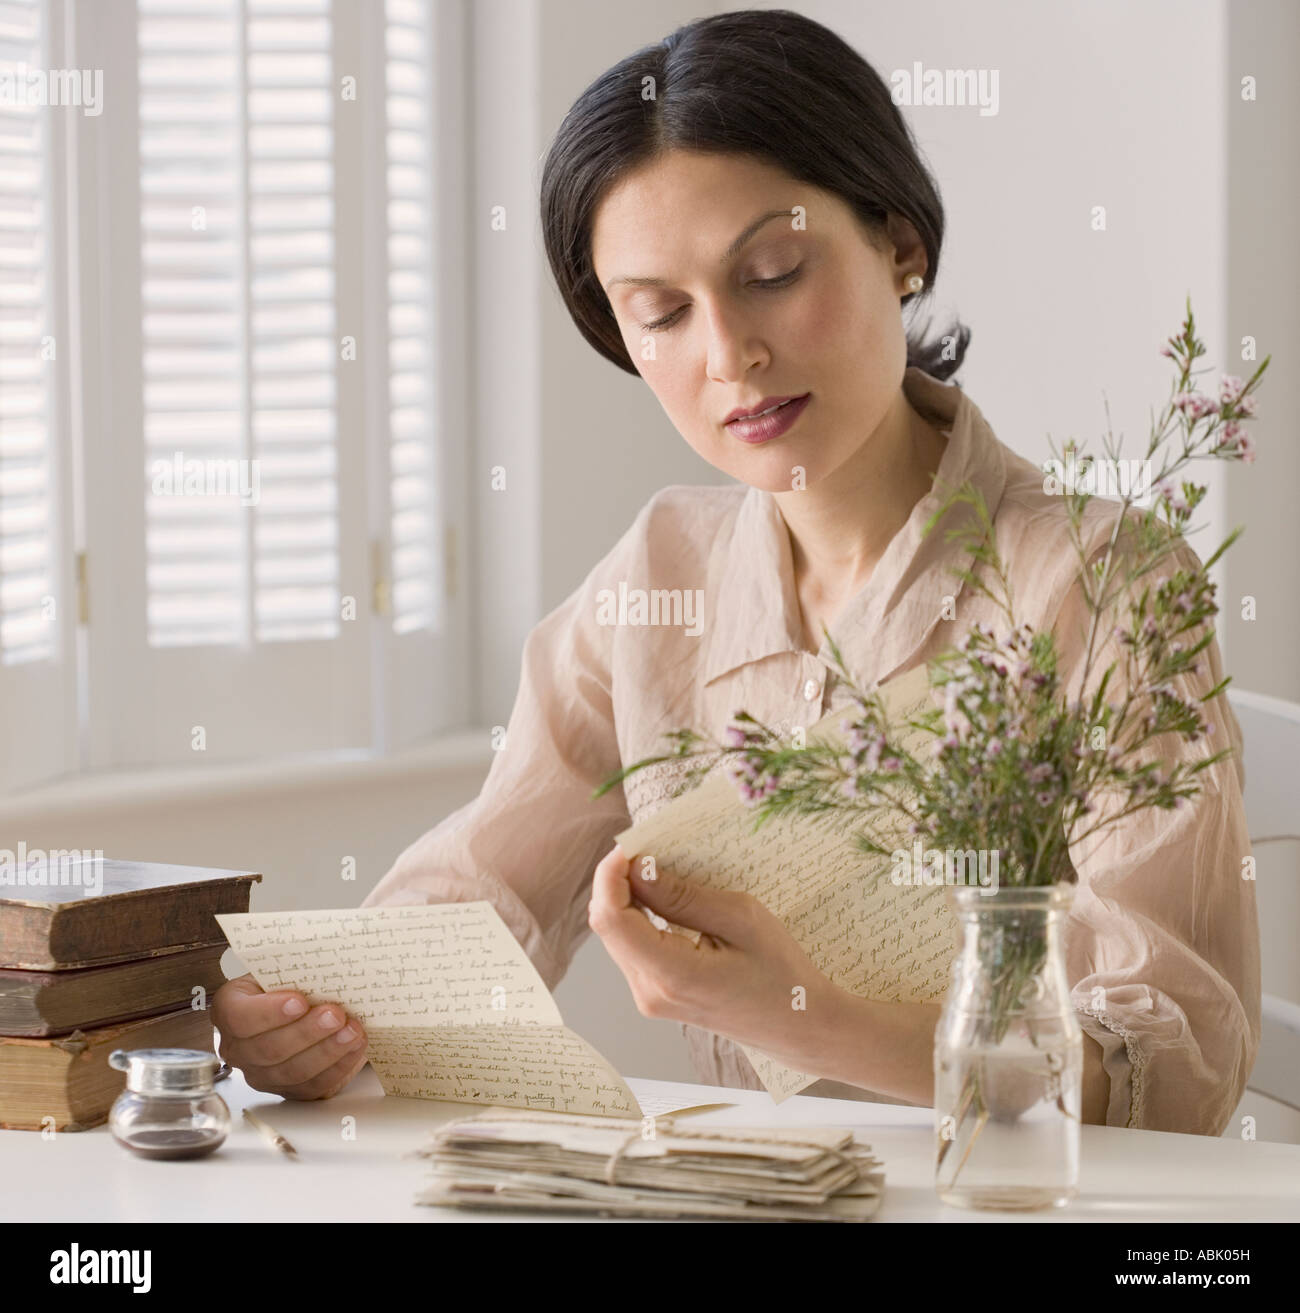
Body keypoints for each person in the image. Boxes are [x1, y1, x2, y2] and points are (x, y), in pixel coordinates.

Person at [213, 9, 1259, 1135]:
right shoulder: (661, 574)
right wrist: (314, 1014)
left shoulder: (1100, 584)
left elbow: (1172, 1061)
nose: (728, 354)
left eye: (770, 271)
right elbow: (486, 881)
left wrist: (805, 1010)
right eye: (659, 313)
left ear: (900, 245)